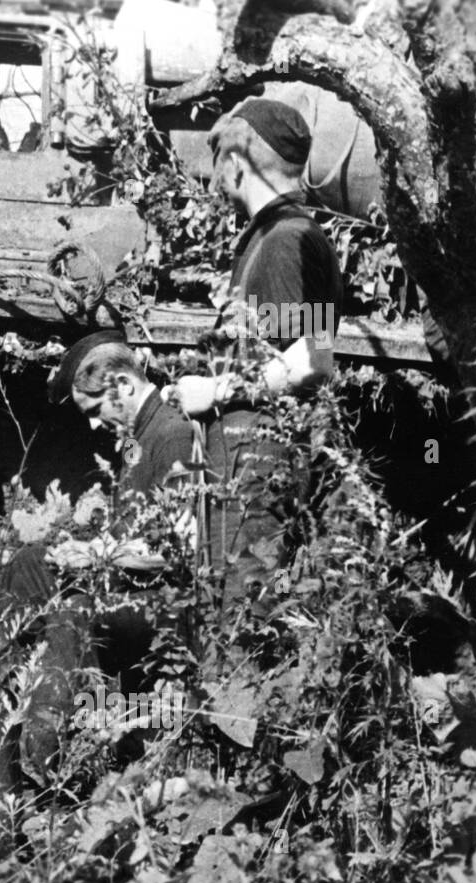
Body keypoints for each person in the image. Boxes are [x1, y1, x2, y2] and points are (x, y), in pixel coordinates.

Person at [170, 98, 345, 607]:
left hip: (258, 474)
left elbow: (315, 358)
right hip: (249, 469)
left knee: (241, 619)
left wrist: (214, 390)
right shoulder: (285, 235)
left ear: (236, 162)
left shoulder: (287, 241)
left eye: (219, 159)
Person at [0, 336, 196, 783]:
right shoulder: (140, 436)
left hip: (160, 604)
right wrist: (83, 550)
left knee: (72, 614)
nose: (92, 426)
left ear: (123, 385)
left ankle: (45, 762)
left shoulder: (172, 436)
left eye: (93, 409)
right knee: (29, 561)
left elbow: (179, 550)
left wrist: (96, 554)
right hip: (127, 583)